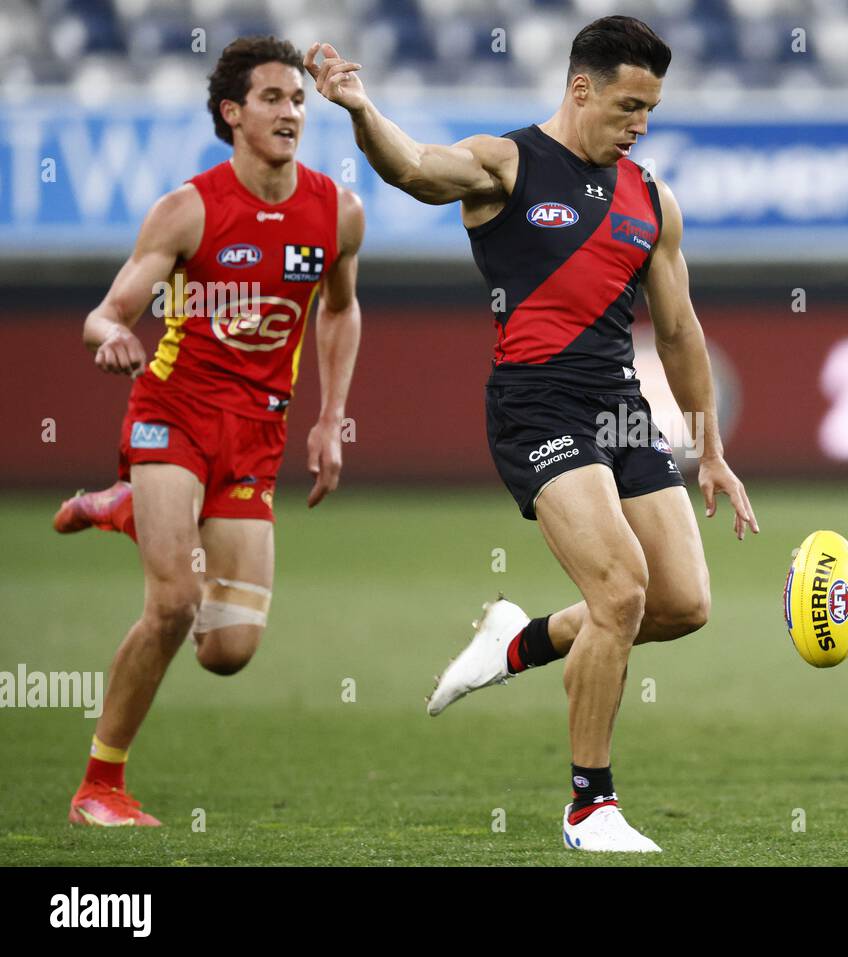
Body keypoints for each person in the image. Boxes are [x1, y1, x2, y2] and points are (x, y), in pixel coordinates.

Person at [305, 15, 757, 853]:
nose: (641, 126)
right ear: (580, 88)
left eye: (650, 110)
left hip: (621, 405)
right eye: (628, 106)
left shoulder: (652, 199)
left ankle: (516, 640)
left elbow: (683, 330)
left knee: (683, 603)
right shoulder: (506, 165)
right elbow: (412, 169)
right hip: (535, 404)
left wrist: (713, 449)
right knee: (619, 591)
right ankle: (590, 807)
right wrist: (361, 111)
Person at [58, 36, 365, 825]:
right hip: (173, 416)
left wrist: (331, 419)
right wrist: (110, 338)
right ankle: (100, 786)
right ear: (232, 114)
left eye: (298, 99)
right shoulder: (188, 209)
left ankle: (122, 508)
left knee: (228, 650)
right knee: (172, 603)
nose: (292, 111)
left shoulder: (338, 211)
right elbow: (106, 312)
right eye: (272, 98)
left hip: (256, 434)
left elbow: (338, 307)